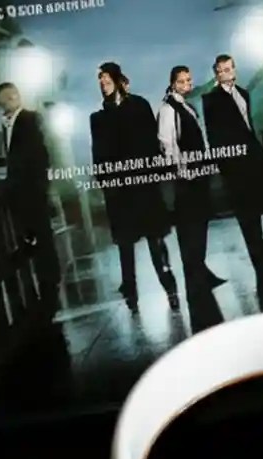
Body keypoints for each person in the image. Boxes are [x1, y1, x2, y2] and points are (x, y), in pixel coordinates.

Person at [89, 62, 178, 311]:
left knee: (155, 239)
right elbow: (98, 155)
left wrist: (154, 174)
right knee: (125, 245)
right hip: (119, 191)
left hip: (143, 186)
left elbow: (151, 142)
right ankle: (131, 291)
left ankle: (168, 284)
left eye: (106, 80)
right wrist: (107, 183)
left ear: (118, 80)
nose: (103, 84)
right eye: (101, 81)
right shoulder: (98, 118)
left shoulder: (139, 106)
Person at [202, 53, 263, 269]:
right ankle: (257, 257)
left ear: (234, 70)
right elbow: (213, 135)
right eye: (220, 70)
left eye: (228, 69)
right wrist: (224, 166)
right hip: (234, 164)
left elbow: (248, 126)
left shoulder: (244, 93)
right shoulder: (211, 99)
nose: (225, 73)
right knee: (246, 213)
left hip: (254, 157)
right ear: (216, 73)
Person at [157, 65, 225, 292]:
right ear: (174, 83)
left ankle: (199, 270)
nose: (188, 84)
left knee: (200, 222)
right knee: (191, 225)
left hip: (198, 171)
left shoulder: (187, 105)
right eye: (183, 81)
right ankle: (195, 274)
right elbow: (167, 143)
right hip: (187, 175)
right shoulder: (169, 108)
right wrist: (182, 170)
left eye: (189, 80)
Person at [0, 82, 54, 250]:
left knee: (42, 235)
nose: (10, 99)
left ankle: (50, 276)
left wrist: (42, 185)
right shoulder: (5, 124)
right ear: (0, 100)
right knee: (28, 237)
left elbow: (40, 154)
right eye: (6, 97)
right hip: (17, 192)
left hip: (34, 188)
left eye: (13, 95)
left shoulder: (31, 118)